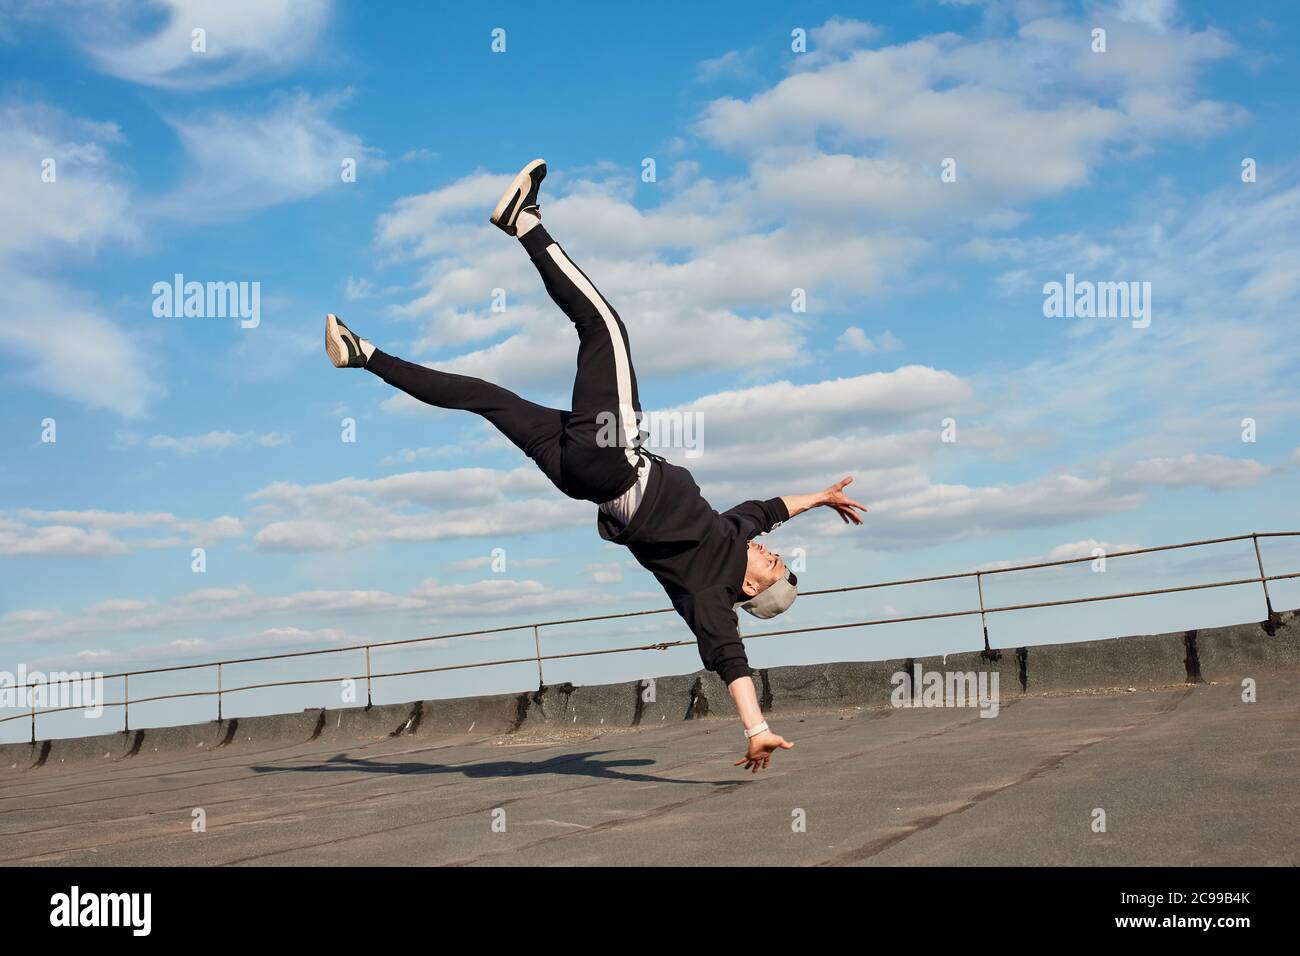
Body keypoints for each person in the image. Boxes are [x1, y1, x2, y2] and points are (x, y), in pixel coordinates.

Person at [325, 159, 868, 771]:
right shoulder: (733, 533)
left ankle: (523, 222)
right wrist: (820, 499)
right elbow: (772, 511)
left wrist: (758, 727)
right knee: (486, 396)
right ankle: (360, 354)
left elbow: (729, 659)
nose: (774, 557)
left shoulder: (709, 589)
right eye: (778, 558)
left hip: (611, 458)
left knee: (604, 325)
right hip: (580, 474)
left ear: (751, 590)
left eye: (775, 571)